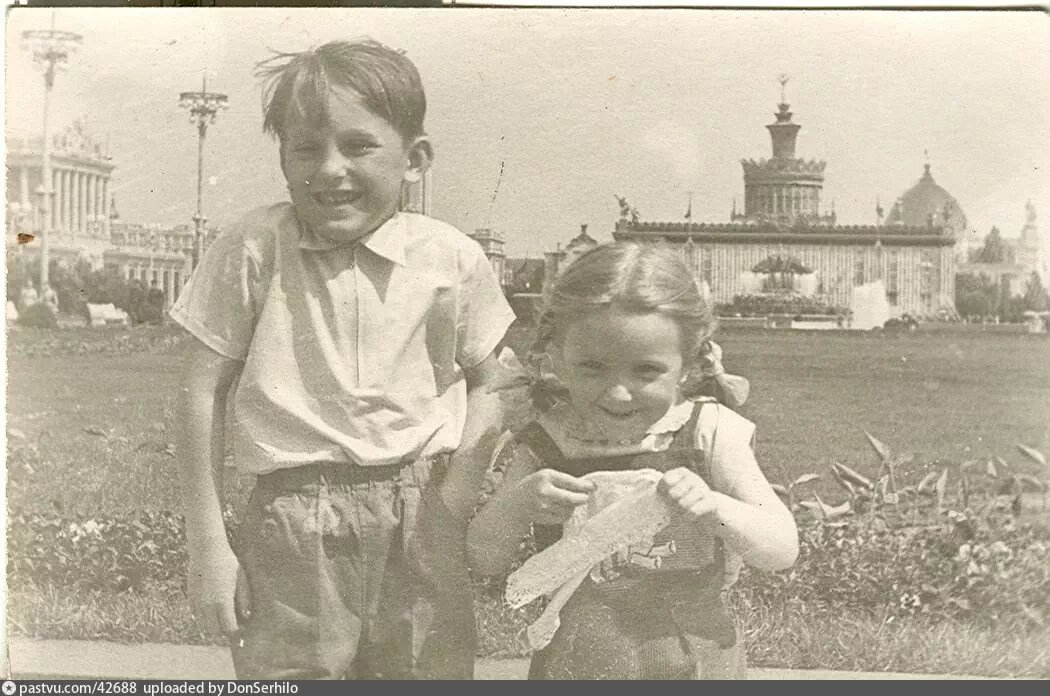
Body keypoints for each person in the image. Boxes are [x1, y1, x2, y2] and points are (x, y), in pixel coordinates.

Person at [171, 39, 516, 680]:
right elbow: (200, 390)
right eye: (306, 148)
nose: (330, 168)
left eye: (358, 146)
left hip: (421, 513)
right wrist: (207, 546)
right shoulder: (252, 249)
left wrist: (456, 499)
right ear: (282, 158)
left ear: (415, 160)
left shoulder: (450, 257)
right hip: (291, 517)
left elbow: (496, 380)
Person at [467, 242, 798, 680]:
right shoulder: (550, 441)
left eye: (645, 371)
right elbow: (482, 559)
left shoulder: (708, 431)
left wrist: (716, 507)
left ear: (688, 365)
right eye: (592, 368)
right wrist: (518, 505)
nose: (618, 393)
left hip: (693, 660)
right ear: (557, 361)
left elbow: (781, 548)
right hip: (578, 663)